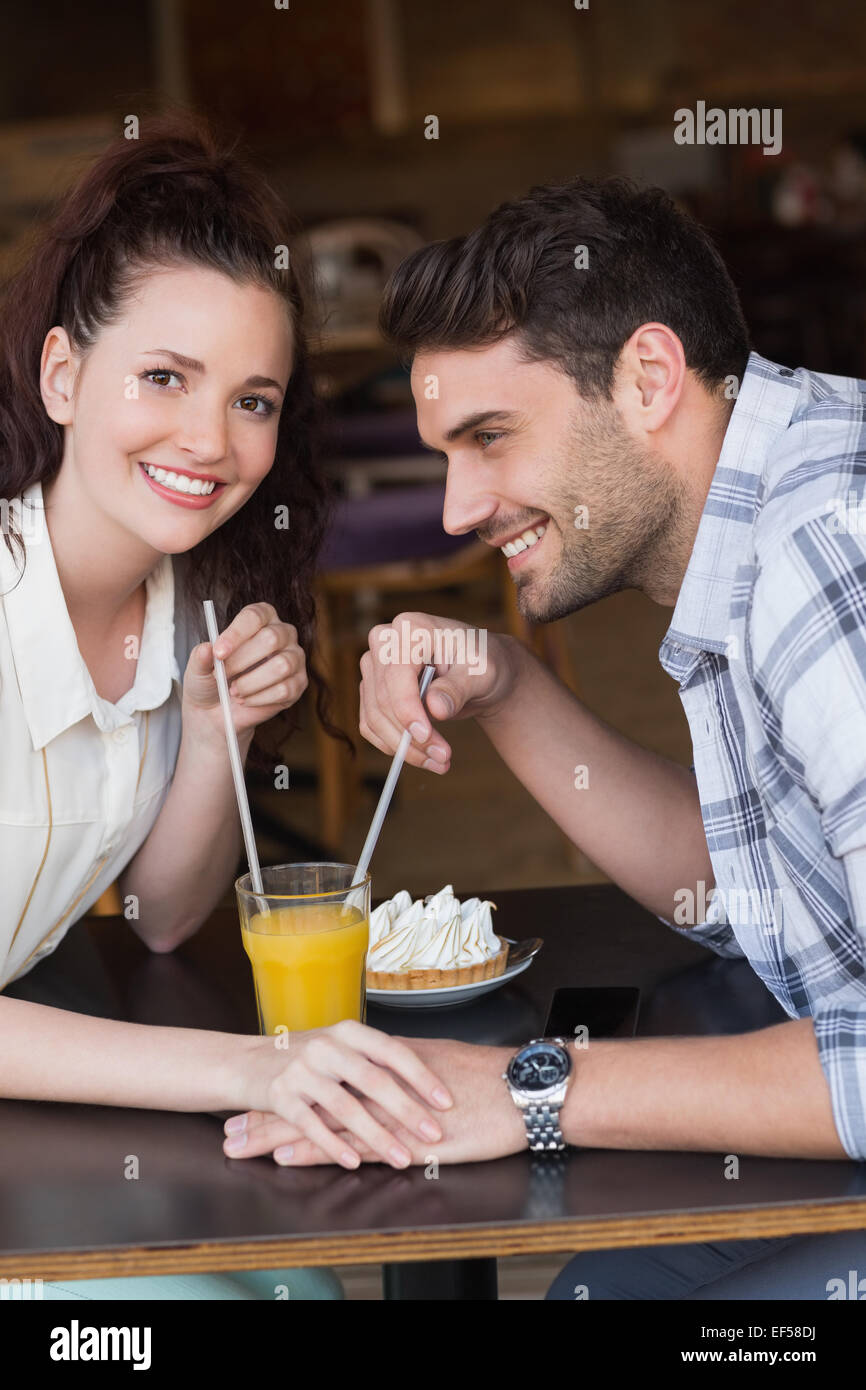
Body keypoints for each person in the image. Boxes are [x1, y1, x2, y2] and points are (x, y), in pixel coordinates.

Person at [225, 177, 866, 1299]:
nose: (455, 510)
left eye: (489, 437)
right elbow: (758, 896)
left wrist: (529, 1087)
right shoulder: (755, 516)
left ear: (648, 378)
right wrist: (506, 688)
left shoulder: (821, 558)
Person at [0, 114, 455, 1301]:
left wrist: (210, 740)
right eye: (164, 378)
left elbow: (156, 915)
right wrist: (258, 1068)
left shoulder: (188, 596)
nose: (209, 440)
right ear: (61, 375)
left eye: (253, 400)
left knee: (299, 1281)